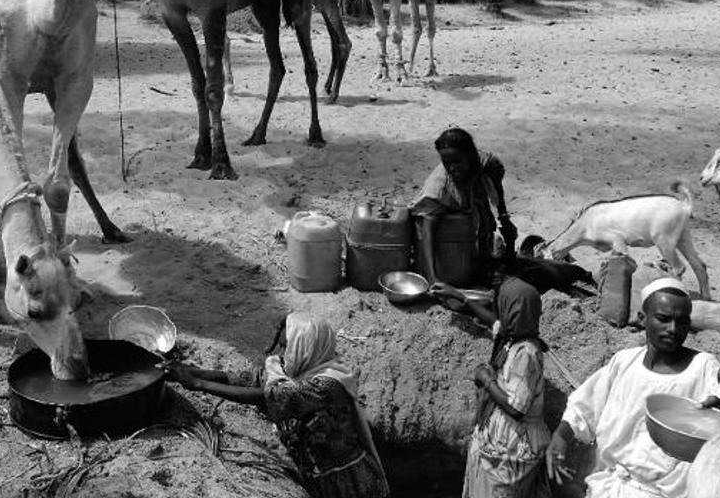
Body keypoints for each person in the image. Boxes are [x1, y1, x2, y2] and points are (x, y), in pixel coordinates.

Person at [544, 278, 720, 497]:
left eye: (682, 322)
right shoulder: (624, 362)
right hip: (608, 487)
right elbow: (584, 406)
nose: (673, 329)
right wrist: (560, 437)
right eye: (663, 319)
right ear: (642, 318)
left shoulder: (703, 368)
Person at [165, 312, 390, 498]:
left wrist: (197, 384)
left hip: (349, 483)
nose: (282, 355)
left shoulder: (328, 385)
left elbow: (268, 396)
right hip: (314, 476)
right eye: (282, 347)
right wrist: (188, 372)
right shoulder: (294, 369)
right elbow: (247, 379)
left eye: (287, 348)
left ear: (305, 347)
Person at [451, 277, 552, 498]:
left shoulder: (526, 354)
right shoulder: (511, 337)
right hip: (499, 446)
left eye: (502, 305)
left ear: (511, 311)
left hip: (513, 450)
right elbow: (492, 321)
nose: (498, 311)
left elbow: (516, 408)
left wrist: (486, 380)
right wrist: (460, 297)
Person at [412, 127, 518, 286]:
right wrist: (433, 278)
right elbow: (427, 230)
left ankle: (486, 261)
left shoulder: (487, 164)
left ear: (471, 155)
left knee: (489, 232)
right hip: (445, 240)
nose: (452, 168)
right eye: (447, 163)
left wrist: (504, 217)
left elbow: (496, 185)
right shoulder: (439, 187)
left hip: (473, 214)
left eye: (457, 161)